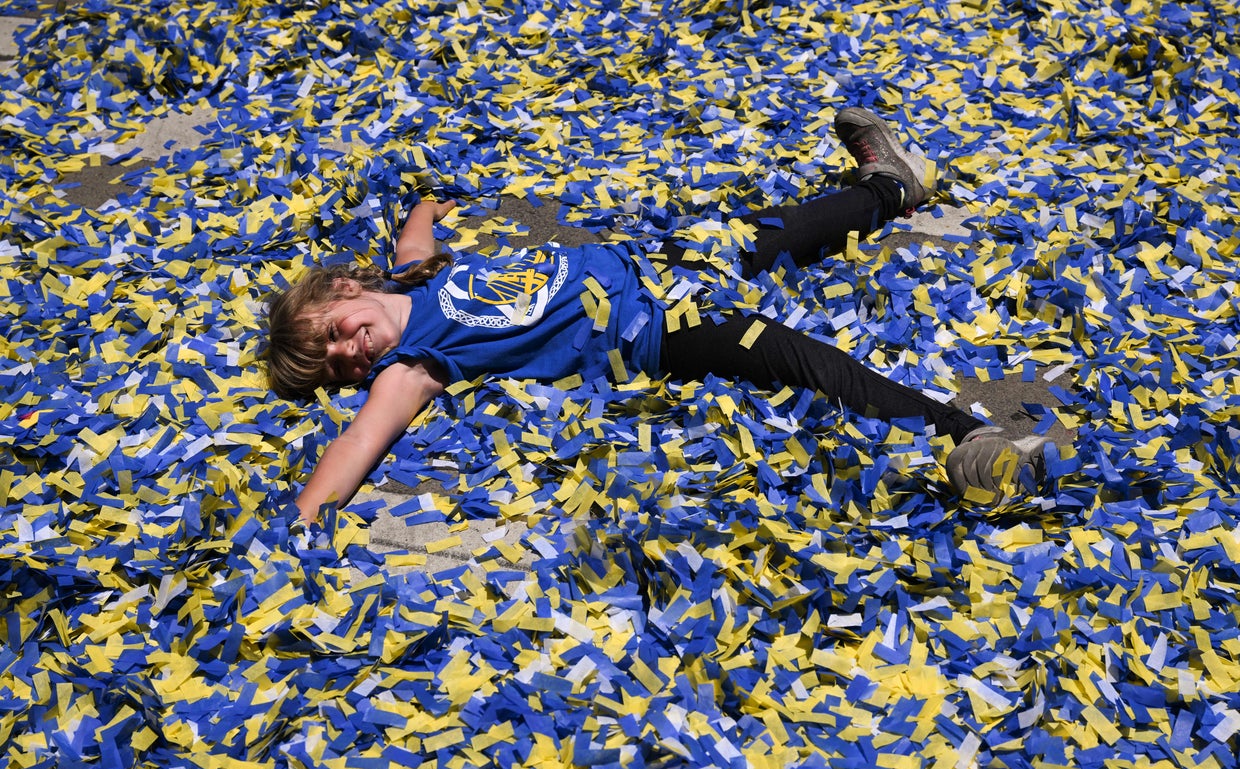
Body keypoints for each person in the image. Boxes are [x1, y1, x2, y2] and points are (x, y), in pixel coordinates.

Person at [264, 108, 1053, 523]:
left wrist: (428, 201)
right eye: (338, 368)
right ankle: (968, 439)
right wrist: (299, 520)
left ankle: (892, 186)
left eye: (333, 335)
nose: (349, 354)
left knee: (783, 230)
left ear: (345, 289)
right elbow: (358, 441)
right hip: (656, 333)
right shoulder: (413, 366)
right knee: (795, 357)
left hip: (660, 264)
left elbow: (413, 239)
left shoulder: (417, 276)